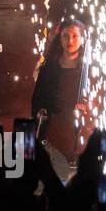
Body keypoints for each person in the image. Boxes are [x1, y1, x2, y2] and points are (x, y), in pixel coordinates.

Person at [30, 19, 88, 178]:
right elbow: (37, 99)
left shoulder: (89, 69)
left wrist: (87, 108)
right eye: (66, 36)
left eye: (75, 36)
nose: (70, 41)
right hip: (54, 132)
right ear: (60, 38)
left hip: (79, 134)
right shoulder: (49, 68)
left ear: (82, 39)